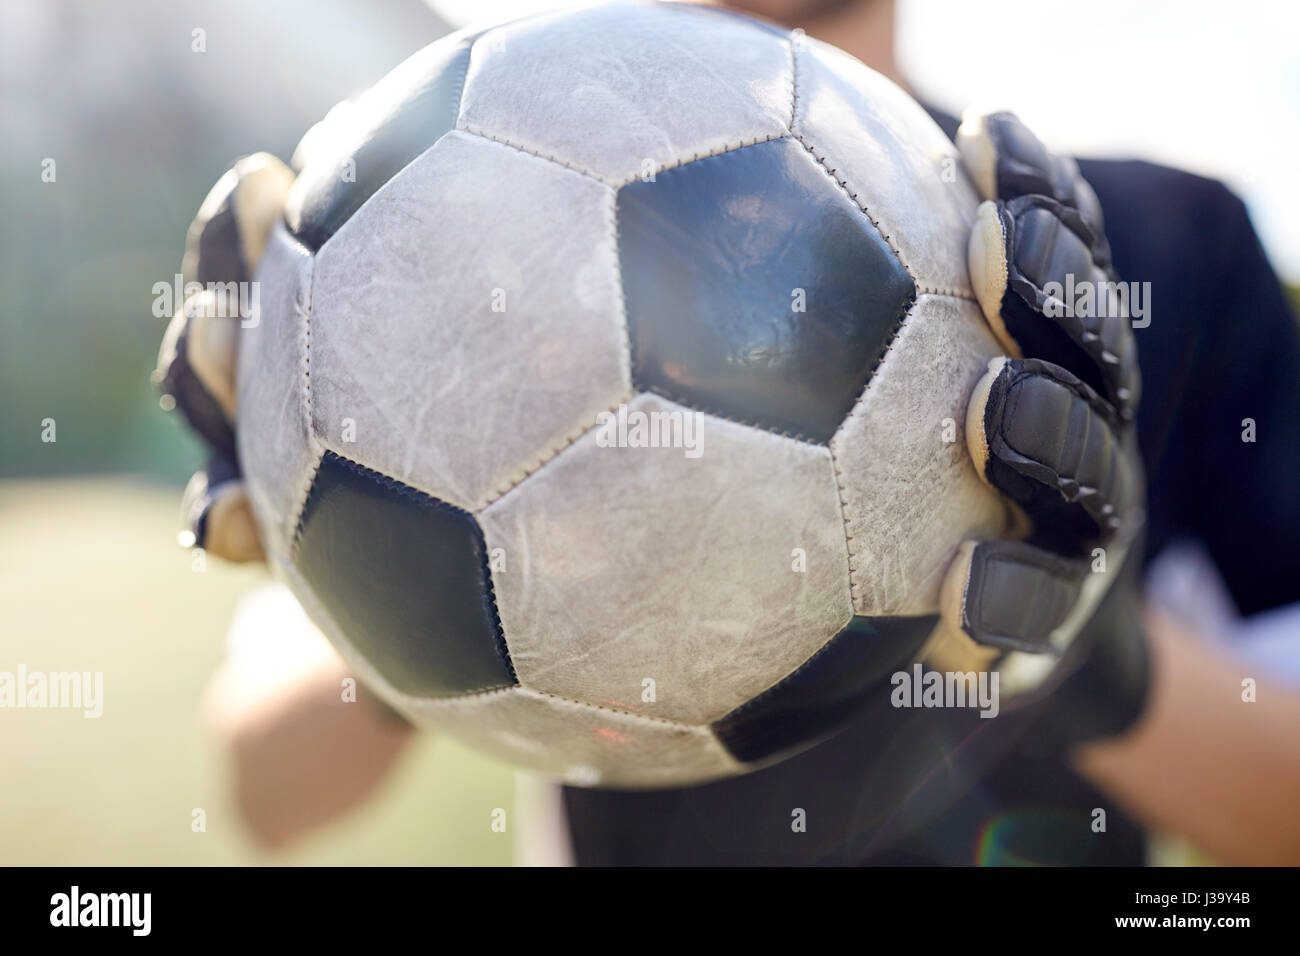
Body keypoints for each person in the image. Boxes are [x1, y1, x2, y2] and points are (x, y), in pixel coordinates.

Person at [158, 0, 1300, 864]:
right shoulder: (469, 213)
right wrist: (337, 532)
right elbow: (265, 792)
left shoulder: (1159, 242)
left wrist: (1099, 662)